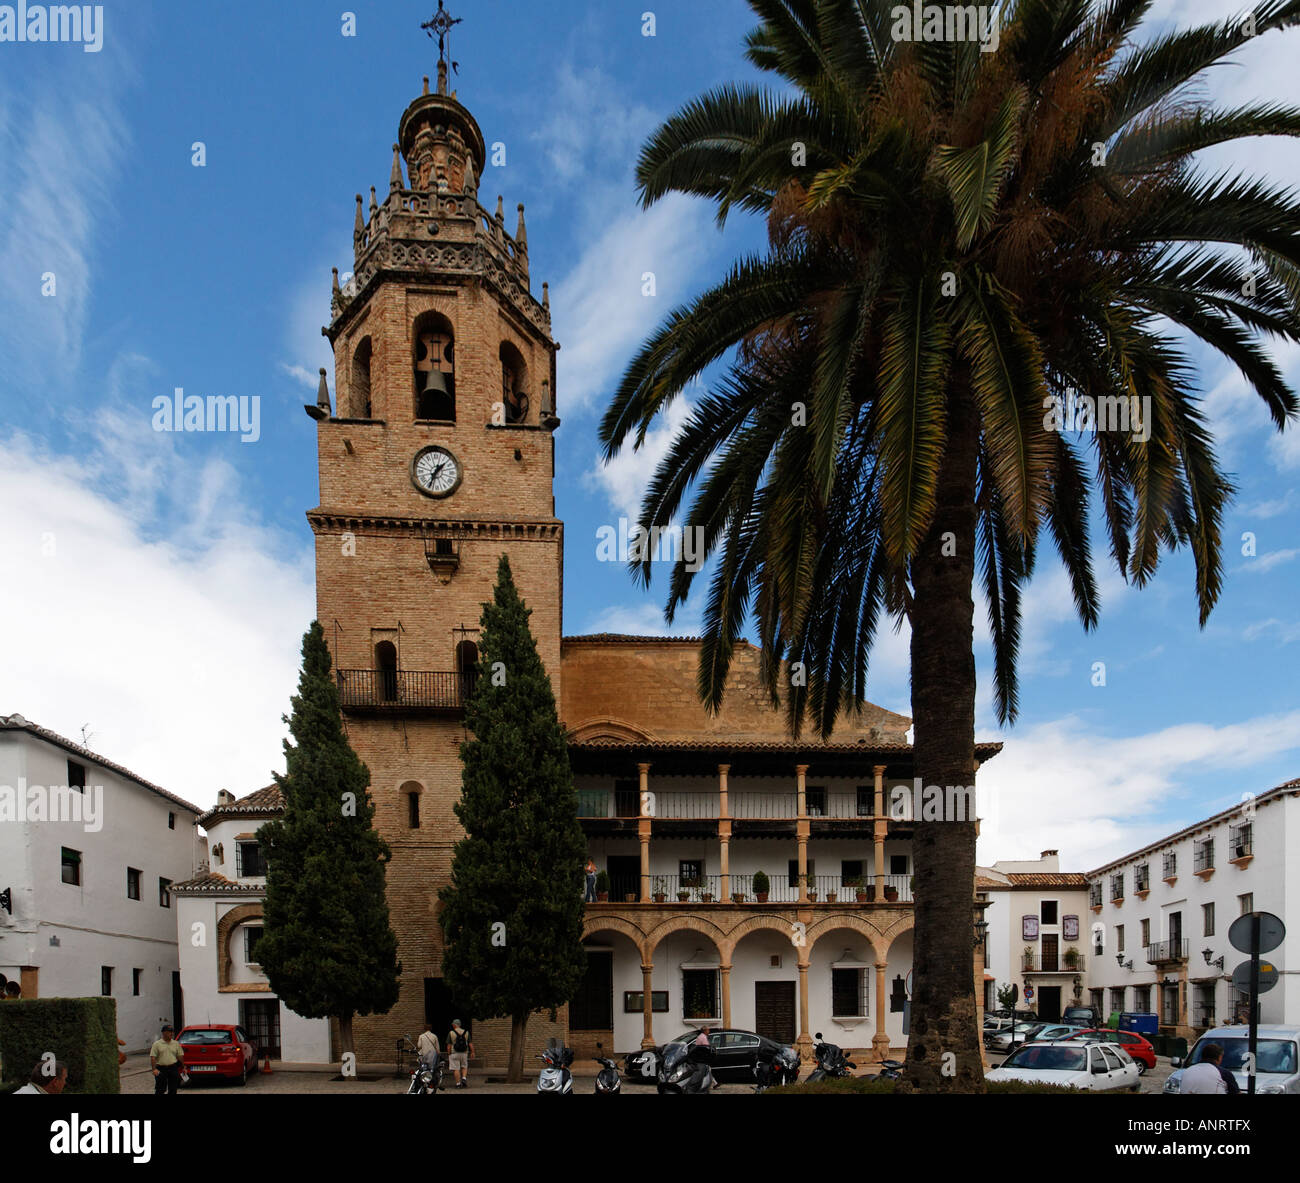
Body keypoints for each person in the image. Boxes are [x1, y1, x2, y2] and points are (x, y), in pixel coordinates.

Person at [150, 1024, 185, 1095]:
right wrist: (154, 1069)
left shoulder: (176, 1043)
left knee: (173, 1089)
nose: (172, 1033)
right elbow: (153, 1057)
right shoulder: (157, 1044)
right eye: (169, 1031)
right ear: (163, 1033)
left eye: (172, 1032)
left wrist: (183, 1067)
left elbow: (180, 1056)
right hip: (161, 1068)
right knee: (160, 1089)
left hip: (173, 1068)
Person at [447, 1019, 474, 1089]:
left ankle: (458, 1084)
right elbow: (470, 1043)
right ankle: (464, 1078)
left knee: (456, 1069)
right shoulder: (466, 1032)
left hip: (454, 1053)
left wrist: (449, 1053)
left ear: (454, 1025)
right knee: (464, 1066)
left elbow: (449, 1045)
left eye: (453, 1024)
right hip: (464, 1053)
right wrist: (472, 1052)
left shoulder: (451, 1033)